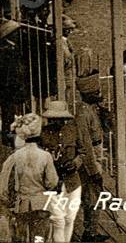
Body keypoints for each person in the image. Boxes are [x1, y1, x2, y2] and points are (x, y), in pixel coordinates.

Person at [0, 113, 59, 243]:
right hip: (41, 203)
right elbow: (52, 182)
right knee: (39, 238)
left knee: (22, 237)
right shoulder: (45, 156)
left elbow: (4, 181)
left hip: (22, 204)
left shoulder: (15, 156)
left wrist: (6, 198)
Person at [41, 100, 83, 243]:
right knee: (57, 219)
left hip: (72, 181)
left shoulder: (73, 131)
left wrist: (76, 163)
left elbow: (83, 152)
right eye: (54, 119)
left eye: (60, 119)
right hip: (53, 183)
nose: (57, 122)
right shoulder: (43, 134)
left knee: (69, 218)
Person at [75, 72, 110, 242]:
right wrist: (93, 169)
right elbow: (85, 144)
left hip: (96, 155)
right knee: (91, 196)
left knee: (95, 195)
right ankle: (89, 233)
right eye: (96, 93)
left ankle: (92, 230)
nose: (99, 95)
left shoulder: (90, 109)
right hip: (89, 161)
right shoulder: (83, 113)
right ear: (88, 94)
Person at [0, 19, 28, 147]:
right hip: (9, 90)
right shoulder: (6, 51)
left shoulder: (12, 48)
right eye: (16, 32)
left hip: (11, 89)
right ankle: (8, 136)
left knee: (11, 113)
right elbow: (9, 73)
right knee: (9, 113)